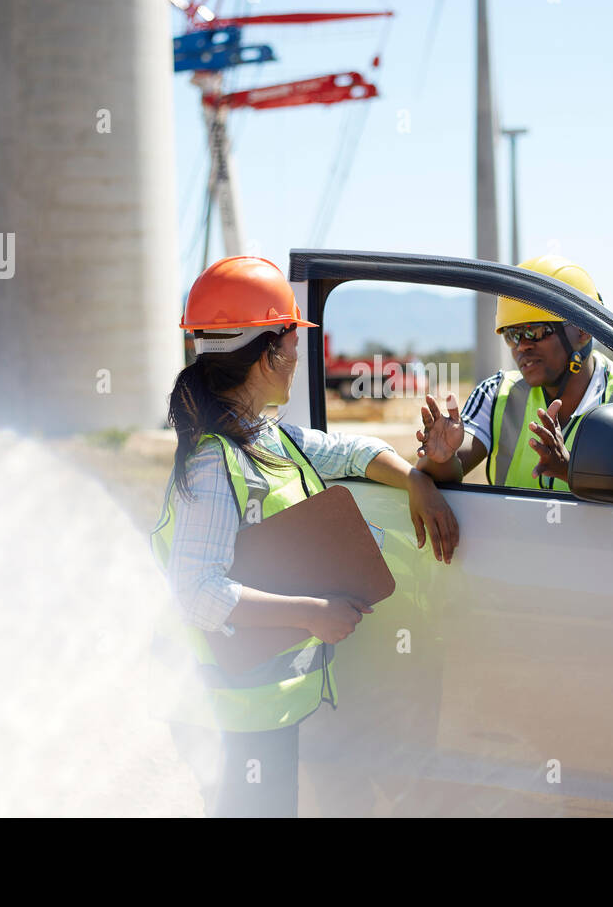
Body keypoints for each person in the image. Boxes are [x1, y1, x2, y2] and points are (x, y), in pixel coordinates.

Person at [149, 255, 458, 818]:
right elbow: (197, 593)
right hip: (227, 714)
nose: (299, 354)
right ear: (268, 351)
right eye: (293, 339)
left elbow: (348, 452)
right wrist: (312, 613)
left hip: (260, 707)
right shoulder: (213, 465)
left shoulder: (264, 438)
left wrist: (417, 478)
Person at [414, 254, 613, 490]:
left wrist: (570, 471)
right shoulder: (496, 393)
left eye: (534, 331)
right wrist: (440, 458)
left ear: (583, 330)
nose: (522, 345)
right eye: (512, 335)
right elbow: (453, 467)